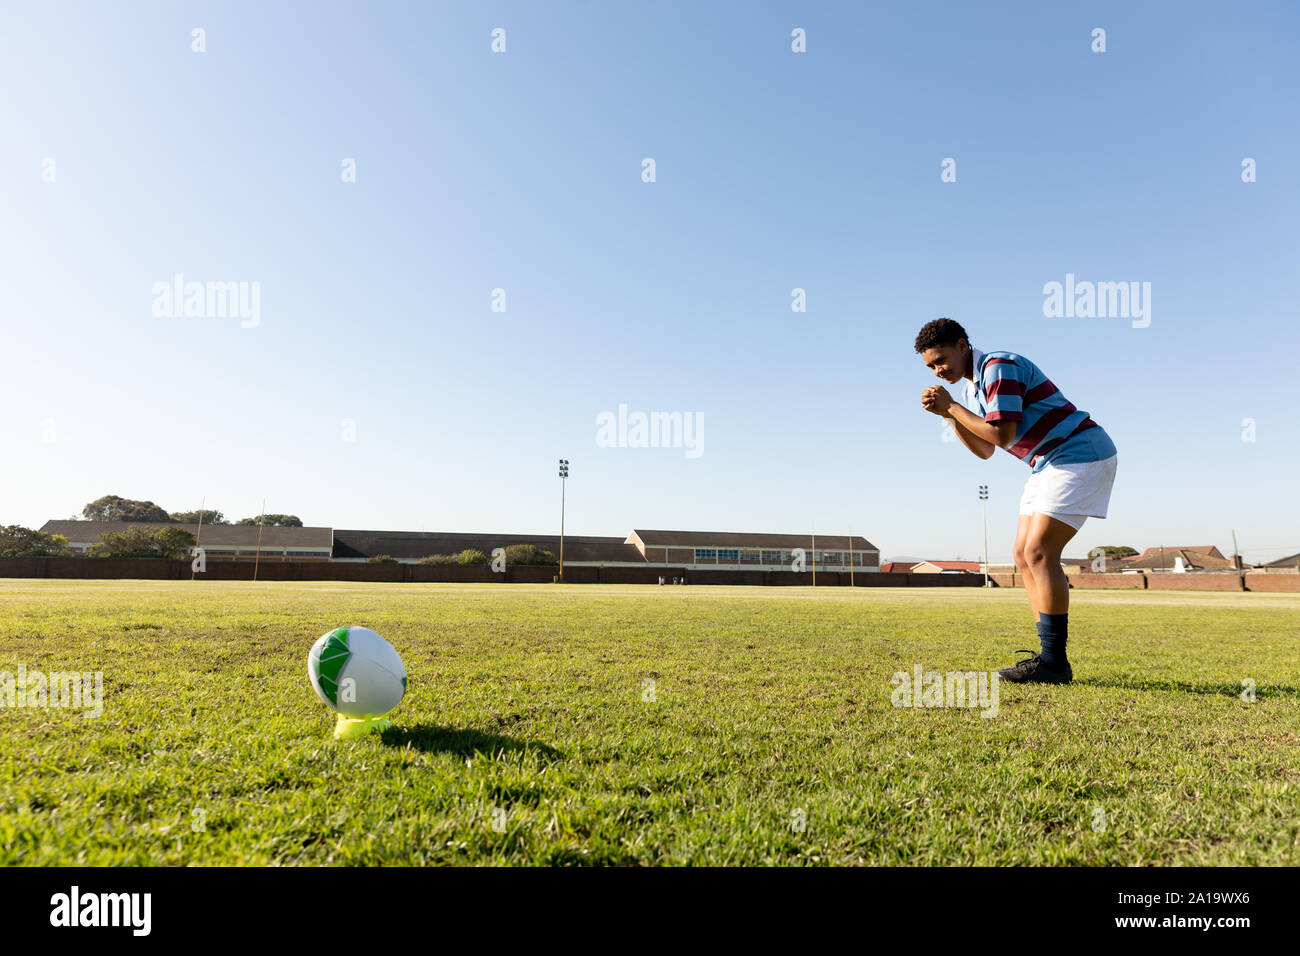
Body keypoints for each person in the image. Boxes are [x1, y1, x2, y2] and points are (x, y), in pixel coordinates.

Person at [916, 317, 1117, 684]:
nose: (938, 369)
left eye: (941, 359)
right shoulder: (970, 391)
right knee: (1023, 555)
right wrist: (949, 415)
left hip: (1078, 452)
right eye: (930, 366)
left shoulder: (998, 367)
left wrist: (953, 409)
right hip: (1045, 462)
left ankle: (1055, 663)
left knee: (1040, 552)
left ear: (962, 345)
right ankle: (1048, 658)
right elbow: (985, 450)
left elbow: (1003, 434)